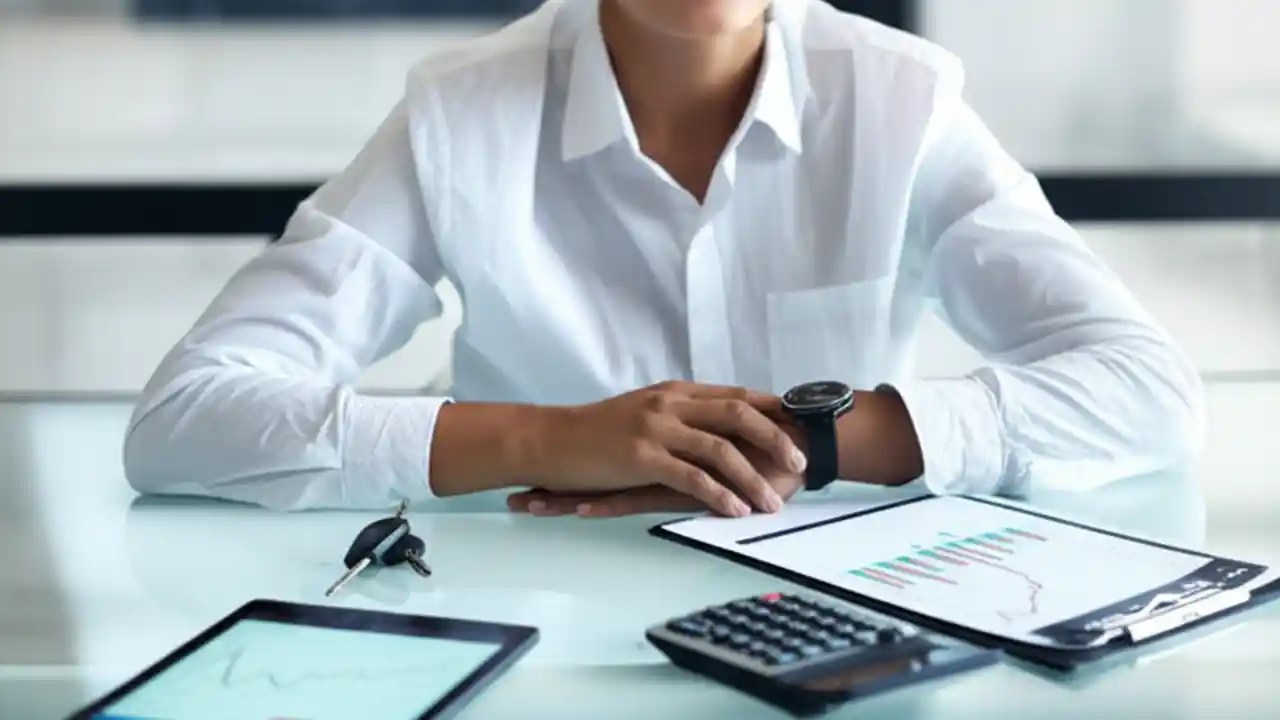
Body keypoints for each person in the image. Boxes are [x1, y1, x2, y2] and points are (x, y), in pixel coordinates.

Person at [123, 0, 1203, 517]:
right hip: (533, 627)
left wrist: (798, 446)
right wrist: (554, 438)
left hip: (841, 624)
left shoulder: (900, 98)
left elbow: (1146, 392)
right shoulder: (460, 112)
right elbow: (182, 420)